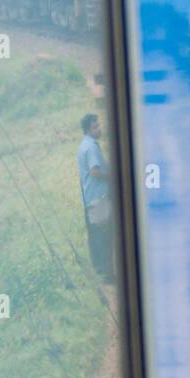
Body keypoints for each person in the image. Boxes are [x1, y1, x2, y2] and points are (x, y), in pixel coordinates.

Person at [77, 113, 115, 284]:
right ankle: (107, 274)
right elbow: (94, 171)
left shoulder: (84, 145)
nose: (99, 129)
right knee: (104, 236)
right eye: (95, 127)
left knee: (96, 235)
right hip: (98, 198)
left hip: (90, 198)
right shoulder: (91, 147)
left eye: (98, 125)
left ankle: (100, 269)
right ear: (88, 130)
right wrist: (112, 176)